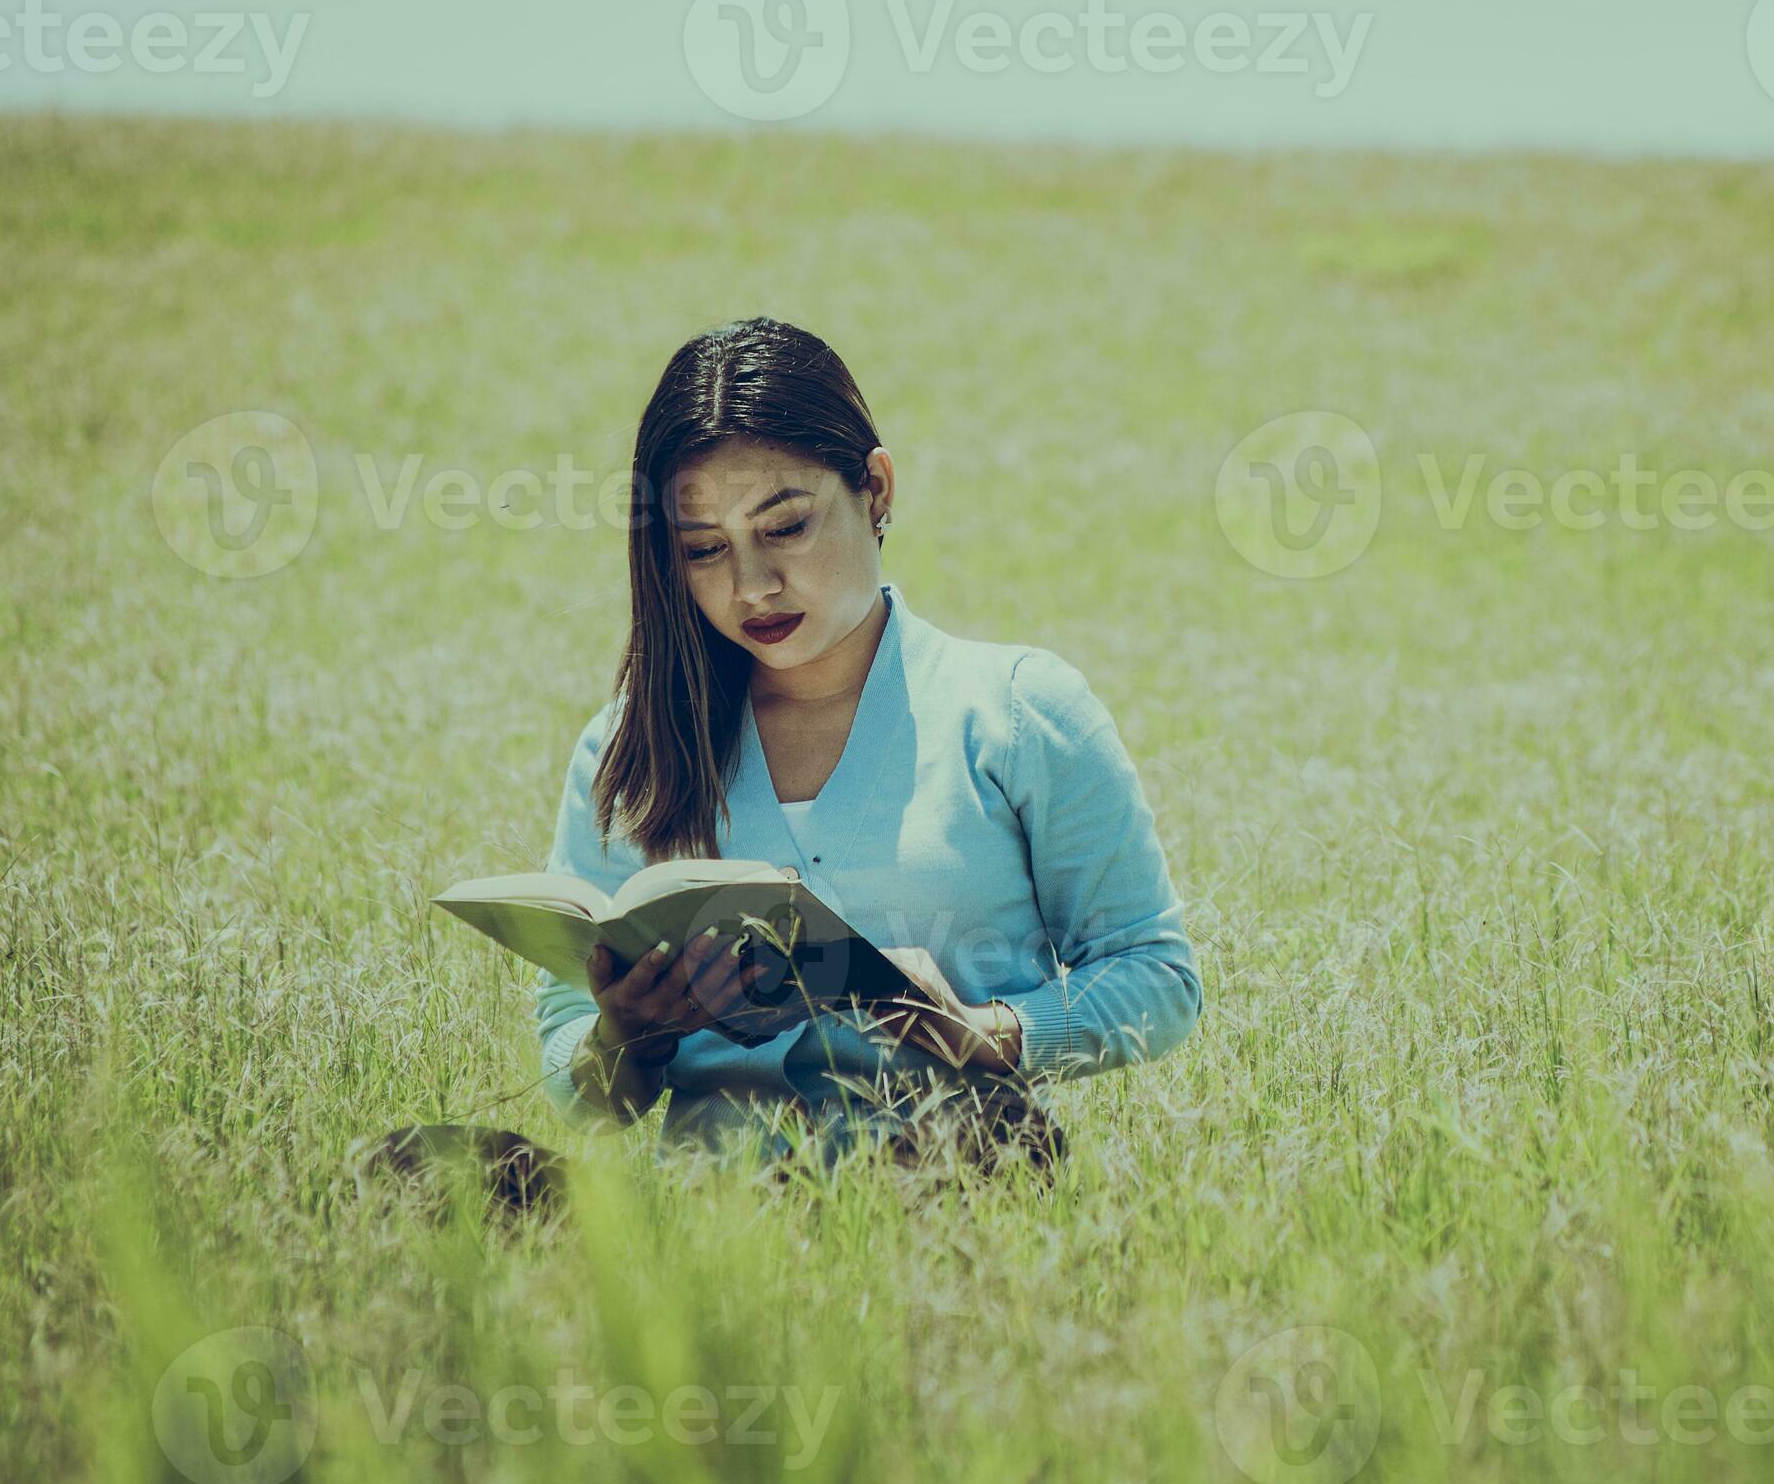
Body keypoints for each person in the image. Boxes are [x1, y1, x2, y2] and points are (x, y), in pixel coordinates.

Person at [375, 316, 1202, 1208]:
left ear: (875, 490)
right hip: (705, 1192)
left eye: (788, 527)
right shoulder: (633, 747)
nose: (751, 586)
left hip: (941, 1167)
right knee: (414, 1171)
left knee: (992, 1144)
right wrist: (624, 1038)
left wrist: (990, 1032)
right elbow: (574, 1071)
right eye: (704, 550)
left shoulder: (1017, 708)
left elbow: (1154, 974)